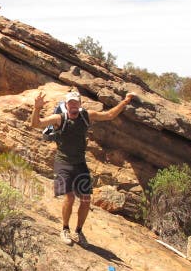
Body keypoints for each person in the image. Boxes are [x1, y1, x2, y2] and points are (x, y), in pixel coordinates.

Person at [31, 89, 136, 246]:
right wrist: (37, 108)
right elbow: (36, 124)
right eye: (70, 103)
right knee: (70, 197)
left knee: (86, 199)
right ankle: (65, 229)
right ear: (66, 105)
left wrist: (126, 101)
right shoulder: (59, 118)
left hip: (80, 163)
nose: (73, 105)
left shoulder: (86, 116)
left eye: (76, 103)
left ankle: (78, 232)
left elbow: (109, 115)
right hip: (64, 162)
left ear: (80, 104)